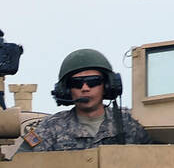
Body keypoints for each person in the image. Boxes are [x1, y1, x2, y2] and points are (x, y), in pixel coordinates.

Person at [16, 49, 150, 152]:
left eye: (93, 82)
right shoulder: (50, 128)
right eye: (77, 83)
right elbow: (22, 166)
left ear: (107, 86)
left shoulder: (130, 122)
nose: (85, 88)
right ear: (66, 90)